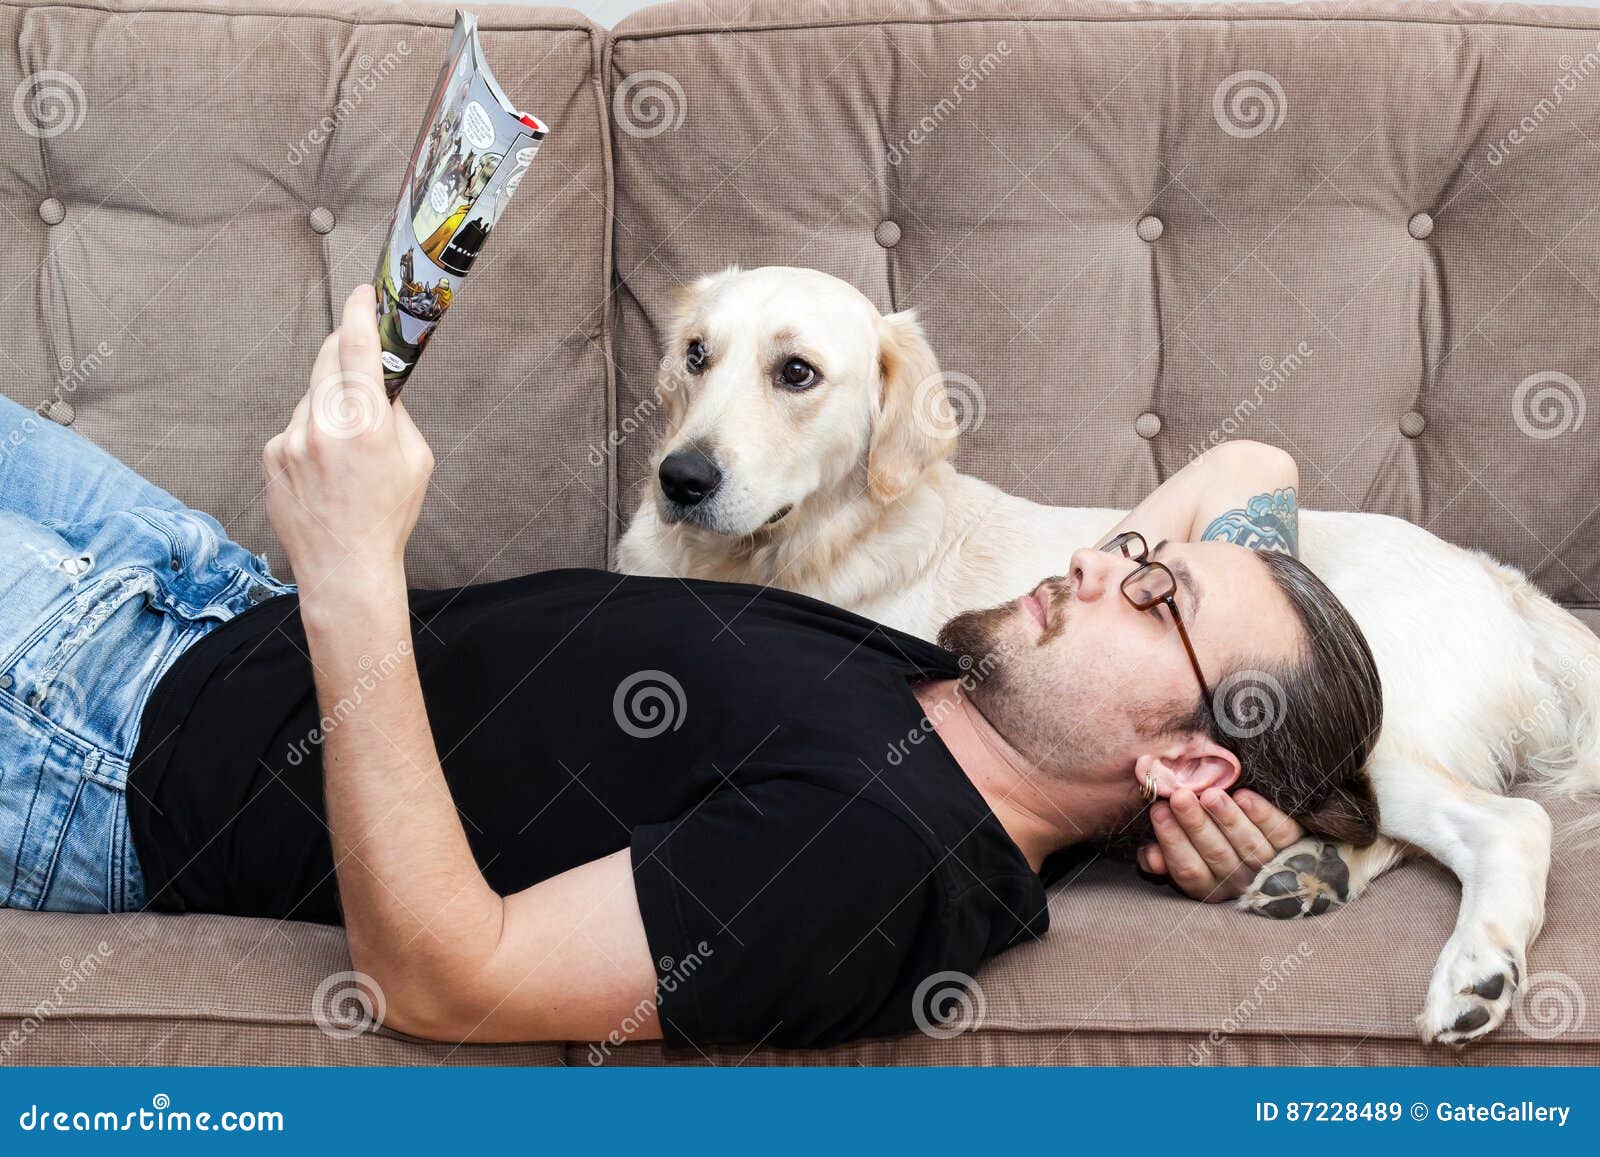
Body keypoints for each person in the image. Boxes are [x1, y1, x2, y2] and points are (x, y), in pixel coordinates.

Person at [0, 286, 1381, 1051]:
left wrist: (357, 568)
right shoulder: (983, 708)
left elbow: (448, 981)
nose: (1105, 556)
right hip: (204, 596)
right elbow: (1252, 470)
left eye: (1152, 591)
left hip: (98, 736)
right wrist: (1206, 807)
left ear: (1187, 753)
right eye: (1133, 549)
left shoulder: (871, 858)